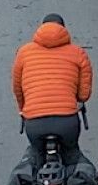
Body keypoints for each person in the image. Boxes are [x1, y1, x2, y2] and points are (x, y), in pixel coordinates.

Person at [12, 13, 93, 168]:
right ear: (64, 29)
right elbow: (84, 95)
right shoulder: (78, 53)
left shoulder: (24, 52)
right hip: (67, 121)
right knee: (72, 156)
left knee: (36, 155)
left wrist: (23, 108)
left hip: (35, 122)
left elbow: (18, 89)